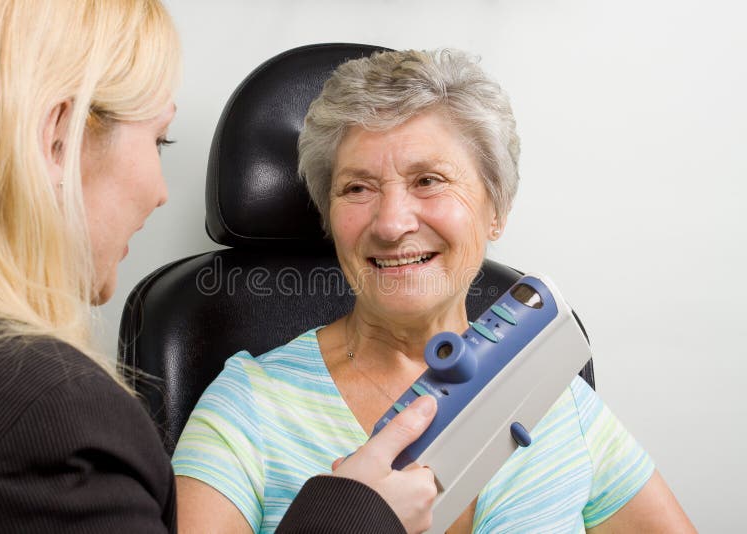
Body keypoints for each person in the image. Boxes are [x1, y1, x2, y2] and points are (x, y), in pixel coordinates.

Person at [0, 2, 440, 532]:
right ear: (57, 139)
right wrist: (357, 517)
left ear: (498, 208)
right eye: (158, 140)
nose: (162, 192)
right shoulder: (56, 425)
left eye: (430, 181)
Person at [172, 49, 697, 533]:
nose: (392, 223)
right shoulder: (247, 410)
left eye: (429, 180)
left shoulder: (562, 399)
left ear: (496, 210)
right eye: (357, 187)